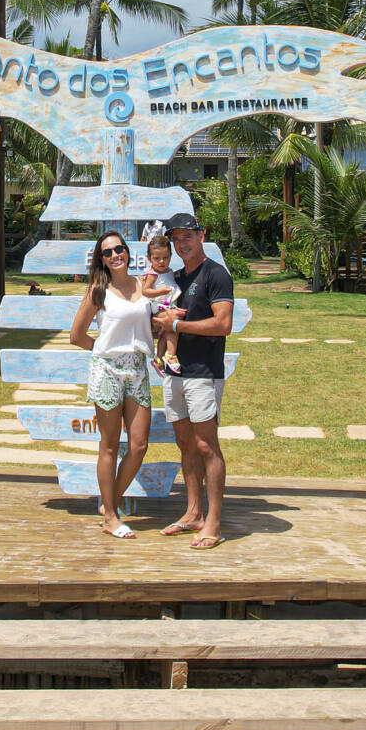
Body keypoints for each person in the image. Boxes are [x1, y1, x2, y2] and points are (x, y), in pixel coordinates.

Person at [153, 212, 233, 548]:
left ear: (202, 236)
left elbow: (223, 324)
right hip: (175, 372)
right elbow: (159, 320)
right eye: (176, 239)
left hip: (203, 372)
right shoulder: (172, 278)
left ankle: (213, 522)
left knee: (206, 446)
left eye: (187, 236)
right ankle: (194, 513)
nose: (181, 243)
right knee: (185, 444)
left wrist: (175, 325)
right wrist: (159, 327)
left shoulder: (216, 274)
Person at [69, 230, 154, 539]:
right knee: (109, 445)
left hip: (138, 368)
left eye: (119, 249)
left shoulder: (144, 285)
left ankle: (110, 506)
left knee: (139, 445)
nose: (115, 255)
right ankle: (111, 518)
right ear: (101, 259)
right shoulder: (98, 290)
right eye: (108, 252)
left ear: (128, 252)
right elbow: (76, 336)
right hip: (107, 371)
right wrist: (104, 351)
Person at [138, 234, 182, 375]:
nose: (161, 262)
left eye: (165, 258)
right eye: (157, 258)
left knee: (166, 332)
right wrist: (161, 291)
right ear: (149, 258)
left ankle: (159, 358)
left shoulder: (169, 272)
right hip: (159, 308)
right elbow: (145, 291)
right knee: (173, 323)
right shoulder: (152, 274)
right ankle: (171, 355)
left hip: (169, 306)